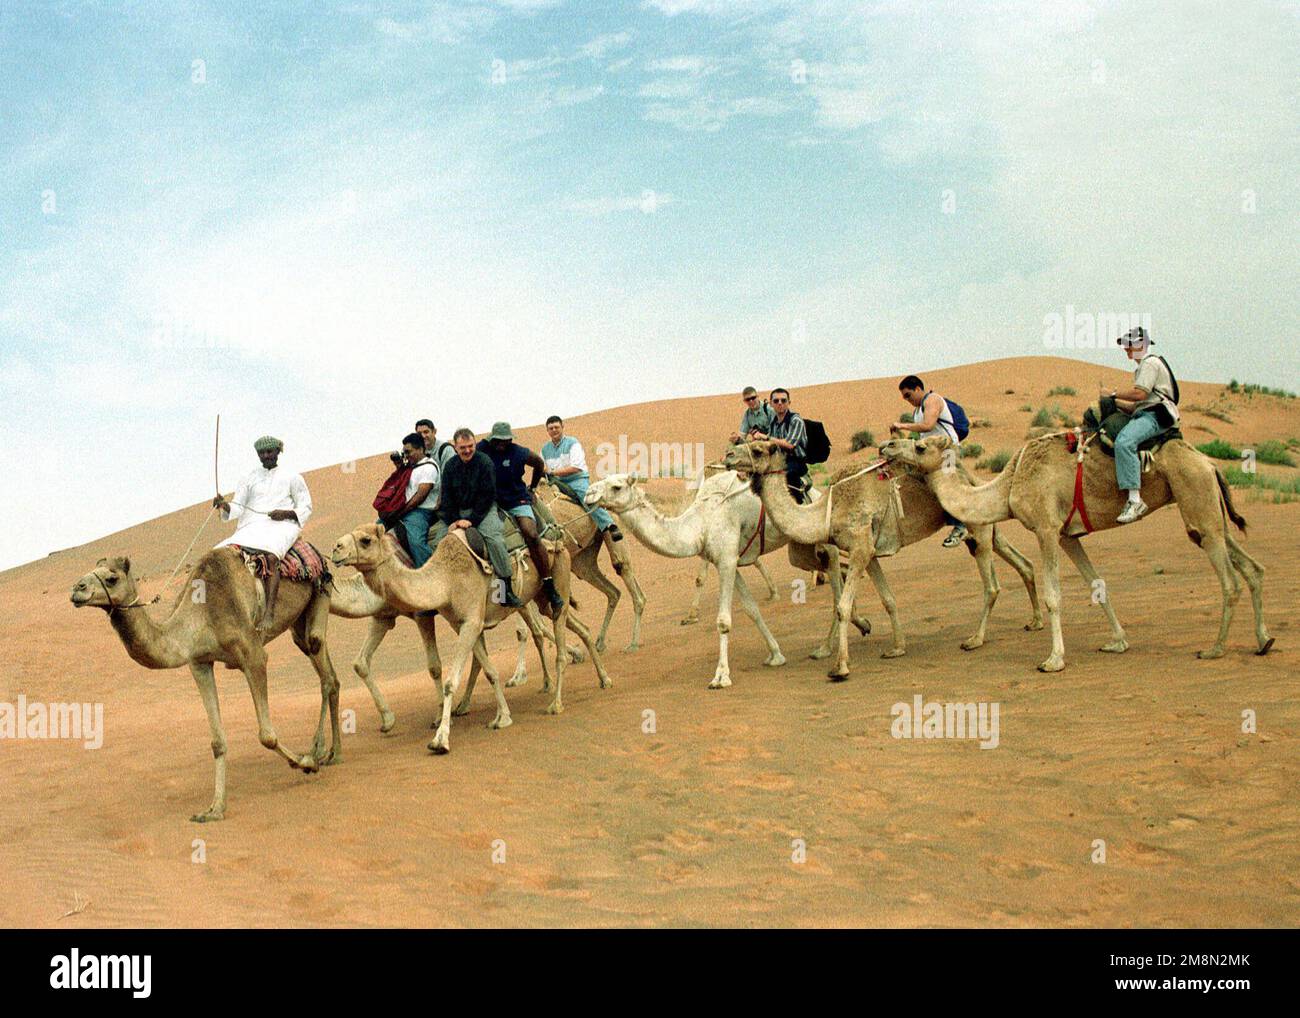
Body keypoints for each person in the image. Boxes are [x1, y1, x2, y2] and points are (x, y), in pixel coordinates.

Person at [213, 435, 312, 633]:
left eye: (269, 451)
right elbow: (238, 507)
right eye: (262, 453)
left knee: (270, 557)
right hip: (251, 526)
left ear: (278, 452)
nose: (266, 456)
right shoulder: (248, 478)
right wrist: (224, 506)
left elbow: (306, 506)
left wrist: (285, 513)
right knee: (218, 554)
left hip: (283, 525)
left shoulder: (293, 477)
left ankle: (269, 613)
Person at [430, 428, 522, 607]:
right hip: (457, 513)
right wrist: (454, 521)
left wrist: (472, 520)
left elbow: (487, 495)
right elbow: (447, 497)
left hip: (483, 510)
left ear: (475, 444)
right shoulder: (449, 467)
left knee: (494, 540)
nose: (467, 451)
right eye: (462, 447)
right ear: (455, 447)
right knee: (435, 542)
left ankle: (505, 589)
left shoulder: (484, 462)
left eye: (470, 446)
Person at [479, 422, 565, 609]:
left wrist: (532, 488)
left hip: (517, 499)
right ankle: (502, 591)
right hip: (492, 501)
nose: (502, 443)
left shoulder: (519, 452)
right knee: (492, 538)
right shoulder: (483, 448)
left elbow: (539, 463)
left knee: (531, 534)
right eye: (498, 440)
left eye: (505, 440)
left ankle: (548, 585)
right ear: (492, 439)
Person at [1105, 327, 1179, 524]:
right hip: (1146, 412)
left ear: (1140, 345)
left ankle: (1135, 500)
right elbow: (1136, 406)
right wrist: (1114, 403)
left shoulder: (1150, 363)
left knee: (1124, 442)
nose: (1126, 350)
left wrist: (1113, 394)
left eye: (1129, 345)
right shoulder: (1142, 368)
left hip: (1156, 415)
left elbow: (1140, 395)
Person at [890, 374, 967, 548]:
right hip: (932, 455)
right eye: (904, 397)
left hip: (947, 450)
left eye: (908, 395)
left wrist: (902, 425)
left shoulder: (932, 400)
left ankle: (960, 526)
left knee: (947, 487)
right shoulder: (917, 411)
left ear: (918, 389)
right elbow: (922, 435)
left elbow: (928, 426)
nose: (907, 400)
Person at [540, 415, 623, 542]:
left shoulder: (572, 443)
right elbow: (542, 467)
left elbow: (576, 467)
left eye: (556, 427)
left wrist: (552, 472)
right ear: (547, 431)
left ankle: (610, 525)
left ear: (562, 427)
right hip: (555, 481)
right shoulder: (545, 449)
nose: (554, 430)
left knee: (587, 498)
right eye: (551, 428)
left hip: (575, 480)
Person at [749, 387, 809, 502]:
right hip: (779, 461)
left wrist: (765, 437)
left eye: (783, 400)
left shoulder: (796, 420)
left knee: (787, 475)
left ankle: (799, 504)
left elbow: (790, 445)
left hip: (796, 461)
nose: (780, 403)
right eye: (776, 401)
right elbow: (769, 445)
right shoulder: (773, 423)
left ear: (789, 403)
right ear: (771, 404)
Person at [392, 433, 439, 567]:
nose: (406, 455)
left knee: (416, 542)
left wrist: (401, 511)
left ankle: (428, 574)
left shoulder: (429, 468)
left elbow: (420, 496)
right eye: (404, 452)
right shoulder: (411, 467)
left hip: (421, 511)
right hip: (405, 509)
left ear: (420, 449)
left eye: (408, 452)